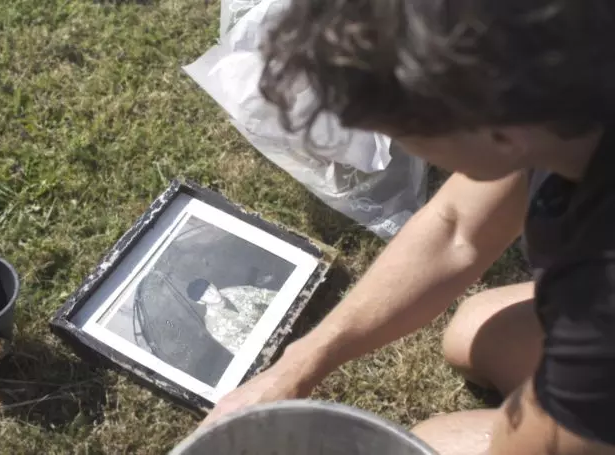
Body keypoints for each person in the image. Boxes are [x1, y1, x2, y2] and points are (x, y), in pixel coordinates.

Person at [200, 1, 615, 454]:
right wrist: (299, 363)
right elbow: (455, 230)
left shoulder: (597, 299)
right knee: (475, 329)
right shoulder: (556, 78)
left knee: (429, 443)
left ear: (502, 135)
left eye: (405, 135)